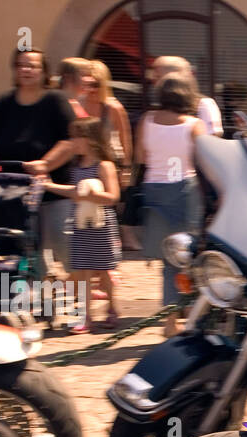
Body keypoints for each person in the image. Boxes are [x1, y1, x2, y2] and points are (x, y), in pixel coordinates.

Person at [0, 49, 77, 277]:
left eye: (32, 66)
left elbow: (71, 140)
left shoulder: (56, 100)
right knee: (27, 249)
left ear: (43, 72)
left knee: (64, 244)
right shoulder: (4, 102)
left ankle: (80, 291)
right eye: (21, 65)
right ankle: (35, 301)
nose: (26, 70)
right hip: (15, 191)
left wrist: (45, 164)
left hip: (53, 190)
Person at [43, 117, 120, 332]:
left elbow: (113, 196)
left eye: (77, 137)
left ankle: (112, 308)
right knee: (83, 269)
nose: (73, 142)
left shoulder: (104, 166)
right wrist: (49, 186)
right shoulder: (76, 168)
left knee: (104, 270)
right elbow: (74, 192)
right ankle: (85, 317)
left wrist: (95, 195)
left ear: (90, 140)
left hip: (101, 225)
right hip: (80, 223)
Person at [136, 74, 205, 306]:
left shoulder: (147, 119)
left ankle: (170, 317)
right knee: (188, 252)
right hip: (185, 189)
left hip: (154, 188)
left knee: (169, 256)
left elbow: (140, 157)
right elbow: (205, 162)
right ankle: (188, 310)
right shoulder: (194, 125)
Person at [81, 59, 133, 187]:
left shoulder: (113, 108)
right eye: (88, 84)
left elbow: (125, 140)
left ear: (103, 84)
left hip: (107, 166)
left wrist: (126, 170)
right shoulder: (78, 104)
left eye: (96, 84)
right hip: (82, 166)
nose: (92, 89)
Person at [151, 56, 222, 136]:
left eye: (158, 77)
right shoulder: (157, 109)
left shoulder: (203, 104)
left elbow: (213, 139)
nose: (154, 82)